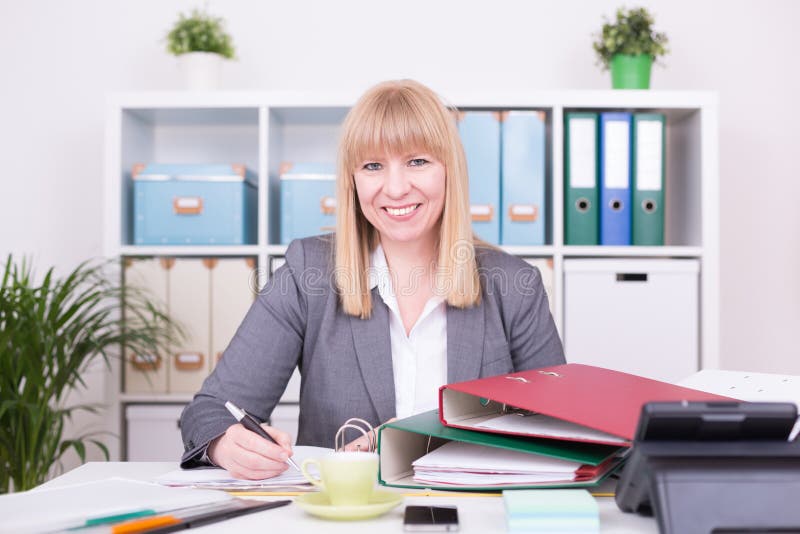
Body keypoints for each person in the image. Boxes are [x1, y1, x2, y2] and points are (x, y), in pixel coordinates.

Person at [179, 79, 565, 479]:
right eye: (373, 166)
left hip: (470, 513)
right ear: (353, 179)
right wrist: (225, 444)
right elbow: (209, 411)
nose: (396, 188)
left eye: (417, 161)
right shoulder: (306, 271)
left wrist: (414, 439)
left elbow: (562, 431)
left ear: (450, 170)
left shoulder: (515, 285)